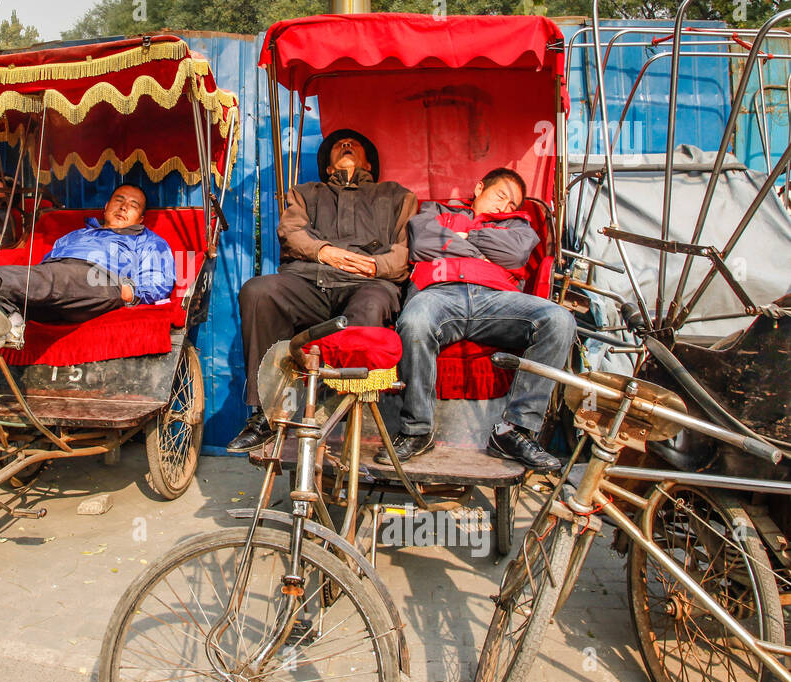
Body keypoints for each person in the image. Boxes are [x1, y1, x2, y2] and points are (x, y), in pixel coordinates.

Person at [226, 129, 418, 452]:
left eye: (353, 144)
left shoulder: (397, 196)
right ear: (328, 168)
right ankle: (268, 413)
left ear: (368, 162)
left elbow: (404, 253)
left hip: (368, 283)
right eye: (338, 146)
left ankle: (339, 410)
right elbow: (291, 233)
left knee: (371, 307)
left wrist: (373, 267)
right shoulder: (306, 193)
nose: (345, 146)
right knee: (258, 292)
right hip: (309, 280)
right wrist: (325, 252)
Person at [377, 166, 576, 472]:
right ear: (480, 187)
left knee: (560, 320)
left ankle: (515, 432)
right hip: (439, 293)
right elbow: (421, 243)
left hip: (497, 299)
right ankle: (417, 429)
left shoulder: (519, 225)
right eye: (501, 196)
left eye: (512, 205)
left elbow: (515, 254)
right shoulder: (435, 210)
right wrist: (483, 248)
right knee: (415, 322)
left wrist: (459, 238)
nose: (504, 207)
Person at [0, 184, 175, 339]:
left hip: (101, 282)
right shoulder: (75, 235)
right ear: (106, 206)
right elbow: (43, 273)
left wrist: (130, 292)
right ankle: (9, 313)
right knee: (38, 282)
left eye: (133, 205)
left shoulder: (148, 241)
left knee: (55, 278)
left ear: (141, 218)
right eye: (119, 200)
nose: (124, 207)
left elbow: (159, 282)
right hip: (59, 288)